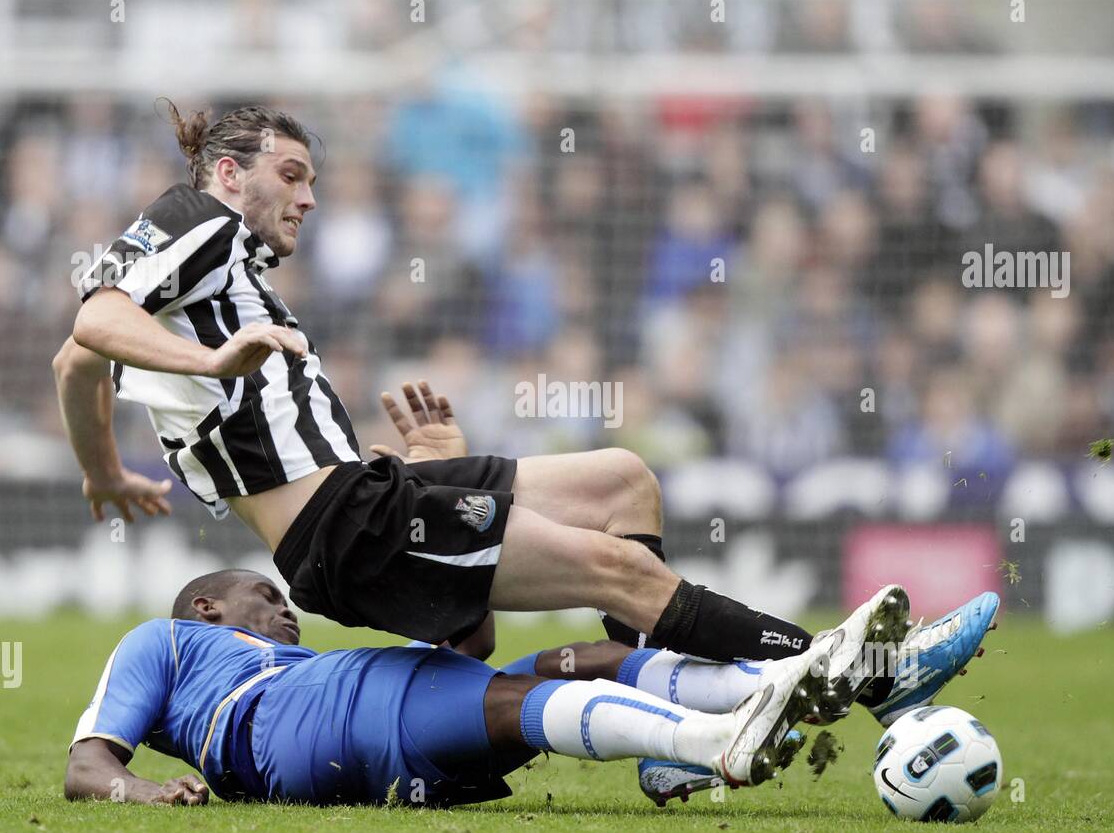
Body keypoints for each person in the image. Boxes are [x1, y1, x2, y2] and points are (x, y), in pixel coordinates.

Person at [51, 101, 902, 710]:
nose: (308, 198)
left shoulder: (225, 277)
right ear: (230, 173)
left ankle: (661, 712)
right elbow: (93, 320)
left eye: (312, 180)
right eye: (292, 175)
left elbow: (75, 364)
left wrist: (106, 471)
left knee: (622, 481)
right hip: (343, 529)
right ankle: (848, 670)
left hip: (371, 492)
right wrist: (210, 360)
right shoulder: (199, 218)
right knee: (622, 572)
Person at [65, 569, 912, 808]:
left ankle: (777, 680)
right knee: (511, 700)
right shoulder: (168, 640)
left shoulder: (289, 661)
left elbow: (469, 640)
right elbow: (86, 765)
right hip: (298, 722)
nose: (287, 610)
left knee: (568, 662)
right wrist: (144, 790)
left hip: (340, 733)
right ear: (207, 607)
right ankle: (718, 740)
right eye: (268, 596)